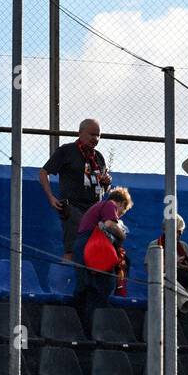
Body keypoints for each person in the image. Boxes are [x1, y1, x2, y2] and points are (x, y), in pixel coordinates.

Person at [40, 119, 110, 263]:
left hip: (94, 210)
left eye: (98, 135)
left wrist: (106, 183)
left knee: (92, 248)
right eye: (92, 134)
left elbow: (102, 187)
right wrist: (51, 197)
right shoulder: (67, 151)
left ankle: (86, 283)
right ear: (80, 133)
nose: (95, 139)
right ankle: (63, 283)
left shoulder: (98, 157)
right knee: (71, 249)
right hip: (73, 208)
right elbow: (43, 173)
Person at [73, 186, 133, 319]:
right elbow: (109, 225)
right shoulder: (110, 205)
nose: (120, 215)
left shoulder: (98, 207)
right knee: (103, 286)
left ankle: (83, 324)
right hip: (92, 246)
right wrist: (122, 235)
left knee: (86, 287)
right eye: (123, 211)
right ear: (122, 203)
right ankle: (95, 323)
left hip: (84, 246)